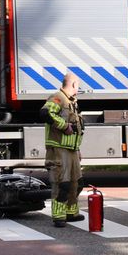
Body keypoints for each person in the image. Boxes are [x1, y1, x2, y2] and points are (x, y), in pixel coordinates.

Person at [41, 74, 85, 227]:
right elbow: (46, 113)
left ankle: (71, 213)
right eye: (78, 85)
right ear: (73, 84)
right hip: (59, 149)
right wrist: (64, 126)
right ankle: (59, 216)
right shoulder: (58, 97)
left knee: (77, 183)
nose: (78, 88)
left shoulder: (71, 102)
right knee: (62, 184)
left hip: (71, 150)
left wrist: (77, 149)